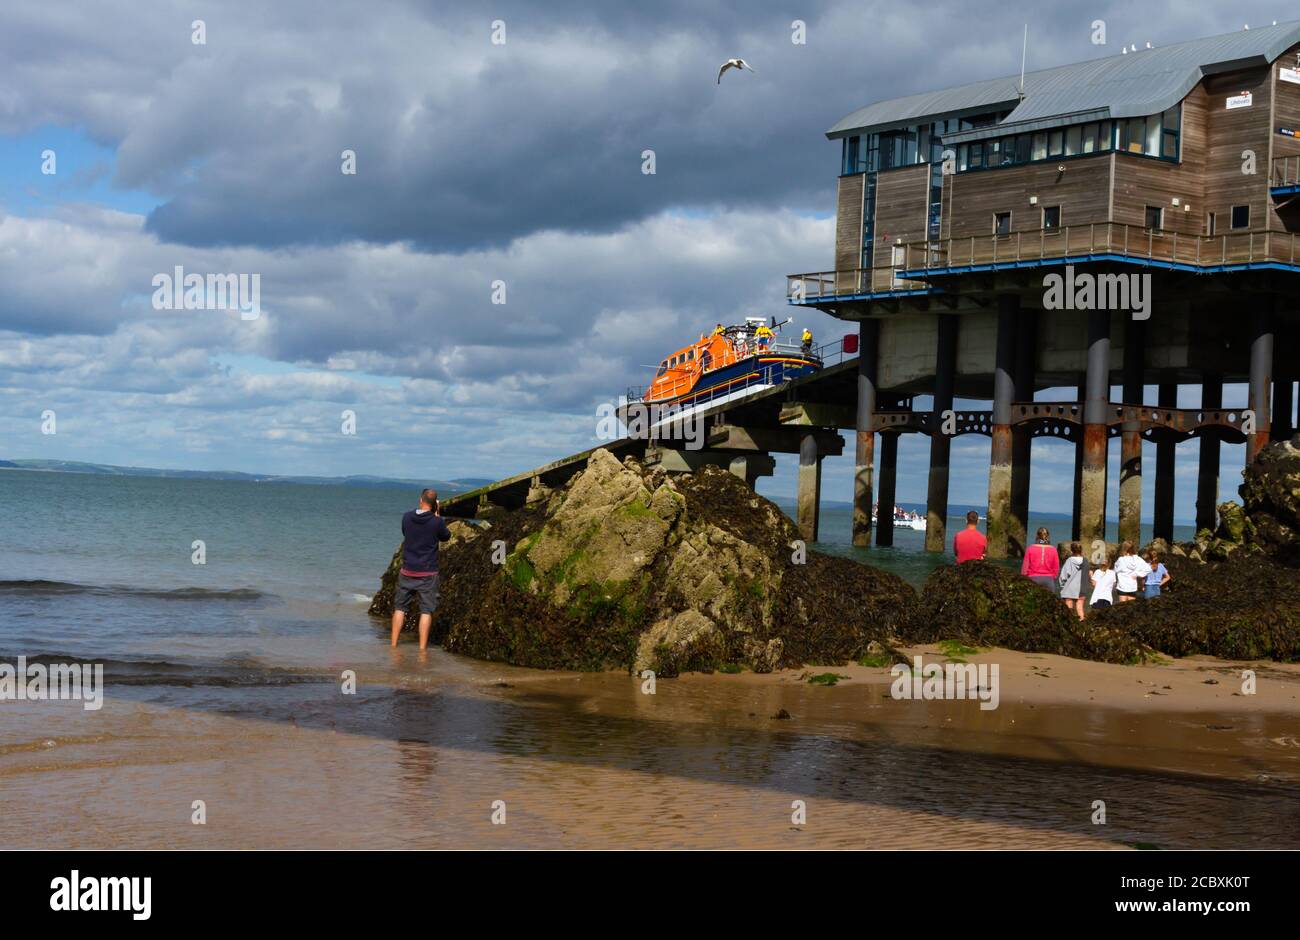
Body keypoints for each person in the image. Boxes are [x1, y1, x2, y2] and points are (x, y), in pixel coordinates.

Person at [390, 488, 451, 651]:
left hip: (407, 570)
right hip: (428, 573)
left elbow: (406, 532)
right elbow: (445, 536)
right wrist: (437, 516)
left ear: (420, 499)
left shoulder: (407, 517)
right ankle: (422, 650)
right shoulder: (437, 522)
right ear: (435, 504)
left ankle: (393, 645)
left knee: (400, 608)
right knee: (426, 611)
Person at [1021, 526, 1060, 595]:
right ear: (1048, 536)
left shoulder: (1030, 548)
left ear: (1037, 536)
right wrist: (1053, 577)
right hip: (1049, 580)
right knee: (1049, 604)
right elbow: (1056, 568)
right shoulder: (1053, 549)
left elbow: (1024, 568)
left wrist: (1023, 579)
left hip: (1033, 579)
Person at [1058, 541, 1088, 620]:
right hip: (1082, 588)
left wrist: (1062, 586)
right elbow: (1086, 575)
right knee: (1080, 608)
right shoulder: (1086, 561)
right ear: (1081, 550)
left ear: (1071, 551)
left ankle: (1070, 624)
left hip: (1070, 588)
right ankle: (1082, 624)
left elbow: (1063, 576)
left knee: (1069, 609)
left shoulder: (1070, 560)